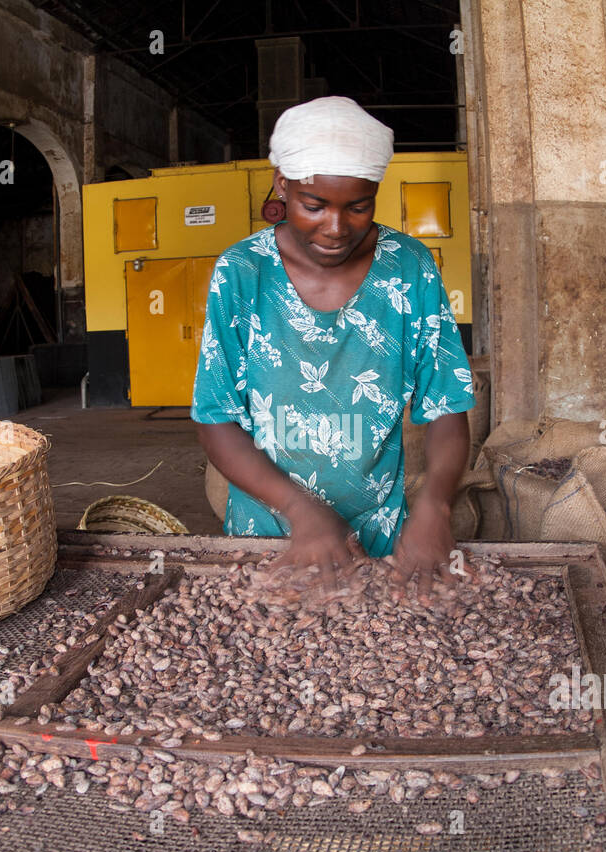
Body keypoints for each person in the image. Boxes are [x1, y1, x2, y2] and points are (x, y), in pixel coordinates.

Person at [192, 96, 475, 594]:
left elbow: (446, 406)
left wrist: (435, 505)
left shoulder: (409, 267)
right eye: (314, 206)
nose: (337, 228)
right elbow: (216, 420)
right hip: (270, 539)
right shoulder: (241, 272)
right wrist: (303, 512)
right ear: (283, 183)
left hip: (383, 538)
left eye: (359, 206)